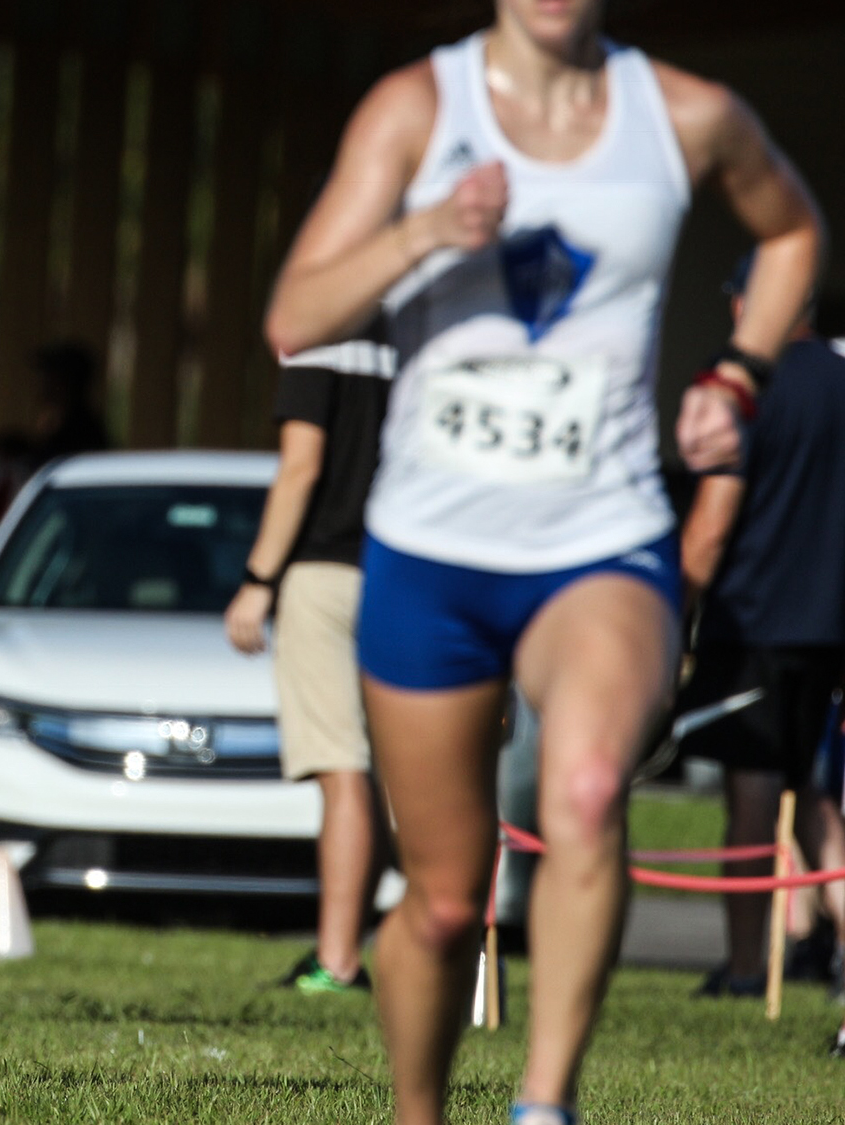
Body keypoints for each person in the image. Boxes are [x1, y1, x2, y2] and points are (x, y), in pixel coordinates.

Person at [262, 0, 824, 1120]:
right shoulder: (417, 108)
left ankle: (542, 1104)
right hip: (430, 549)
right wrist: (420, 232)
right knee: (439, 896)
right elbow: (293, 315)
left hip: (599, 539)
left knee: (580, 794)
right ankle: (416, 1107)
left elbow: (791, 230)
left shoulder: (684, 113)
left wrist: (738, 376)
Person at [678, 253, 845, 1001]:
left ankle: (746, 967)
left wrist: (674, 614)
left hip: (754, 621)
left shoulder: (742, 385)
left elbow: (710, 524)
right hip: (828, 627)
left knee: (750, 795)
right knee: (810, 793)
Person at [225, 338, 394, 995]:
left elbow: (300, 468)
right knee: (389, 778)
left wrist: (257, 579)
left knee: (342, 769)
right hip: (402, 573)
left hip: (325, 575)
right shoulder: (414, 338)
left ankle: (337, 958)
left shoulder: (317, 346)